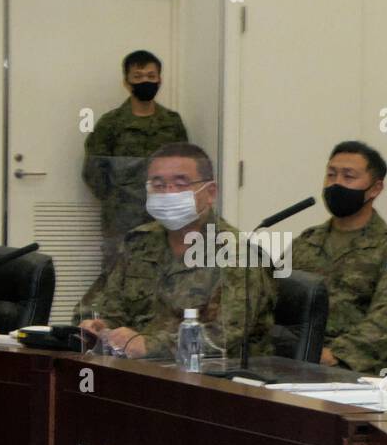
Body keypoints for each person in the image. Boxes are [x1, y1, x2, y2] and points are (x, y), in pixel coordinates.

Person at [77, 142, 273, 361]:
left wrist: (148, 345)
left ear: (210, 192)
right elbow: (106, 305)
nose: (168, 193)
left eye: (180, 184)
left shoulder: (238, 254)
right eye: (158, 185)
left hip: (213, 377)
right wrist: (98, 325)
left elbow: (223, 336)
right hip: (138, 369)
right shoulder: (138, 242)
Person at [285, 141, 387, 374]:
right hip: (299, 359)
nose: (336, 184)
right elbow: (278, 302)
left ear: (375, 189)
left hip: (359, 370)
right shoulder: (306, 242)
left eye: (348, 177)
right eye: (331, 175)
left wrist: (334, 355)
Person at [82, 50, 188, 275]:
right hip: (122, 219)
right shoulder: (111, 124)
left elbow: (185, 167)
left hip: (164, 217)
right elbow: (93, 171)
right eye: (138, 77)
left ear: (160, 80)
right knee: (117, 276)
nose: (145, 82)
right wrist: (117, 199)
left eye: (151, 76)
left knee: (165, 276)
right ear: (126, 82)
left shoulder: (172, 122)